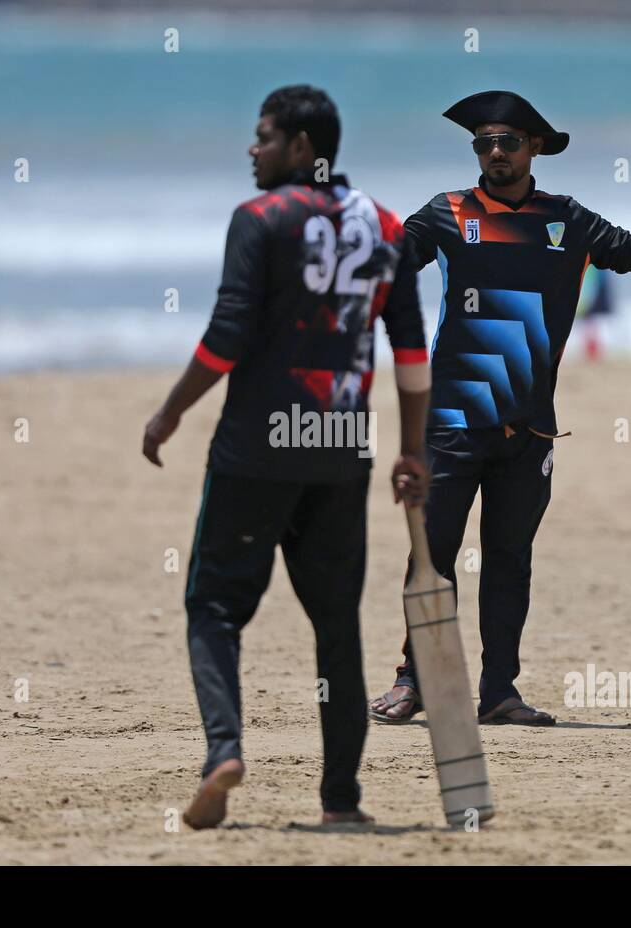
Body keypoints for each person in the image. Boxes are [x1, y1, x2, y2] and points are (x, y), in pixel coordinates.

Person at [369, 90, 631, 726]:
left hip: (529, 425)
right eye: (484, 142)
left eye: (508, 140)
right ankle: (414, 678)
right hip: (452, 421)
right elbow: (386, 269)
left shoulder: (568, 220)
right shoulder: (448, 212)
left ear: (535, 147)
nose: (495, 152)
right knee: (432, 555)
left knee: (510, 560)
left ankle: (499, 691)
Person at [142, 85, 432, 828]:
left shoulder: (261, 221)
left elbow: (227, 335)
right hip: (340, 447)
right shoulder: (386, 227)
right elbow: (408, 347)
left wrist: (172, 409)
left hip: (258, 446)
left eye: (264, 136)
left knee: (213, 606)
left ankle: (224, 753)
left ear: (304, 148)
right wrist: (411, 448)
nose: (253, 148)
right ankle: (342, 802)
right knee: (336, 625)